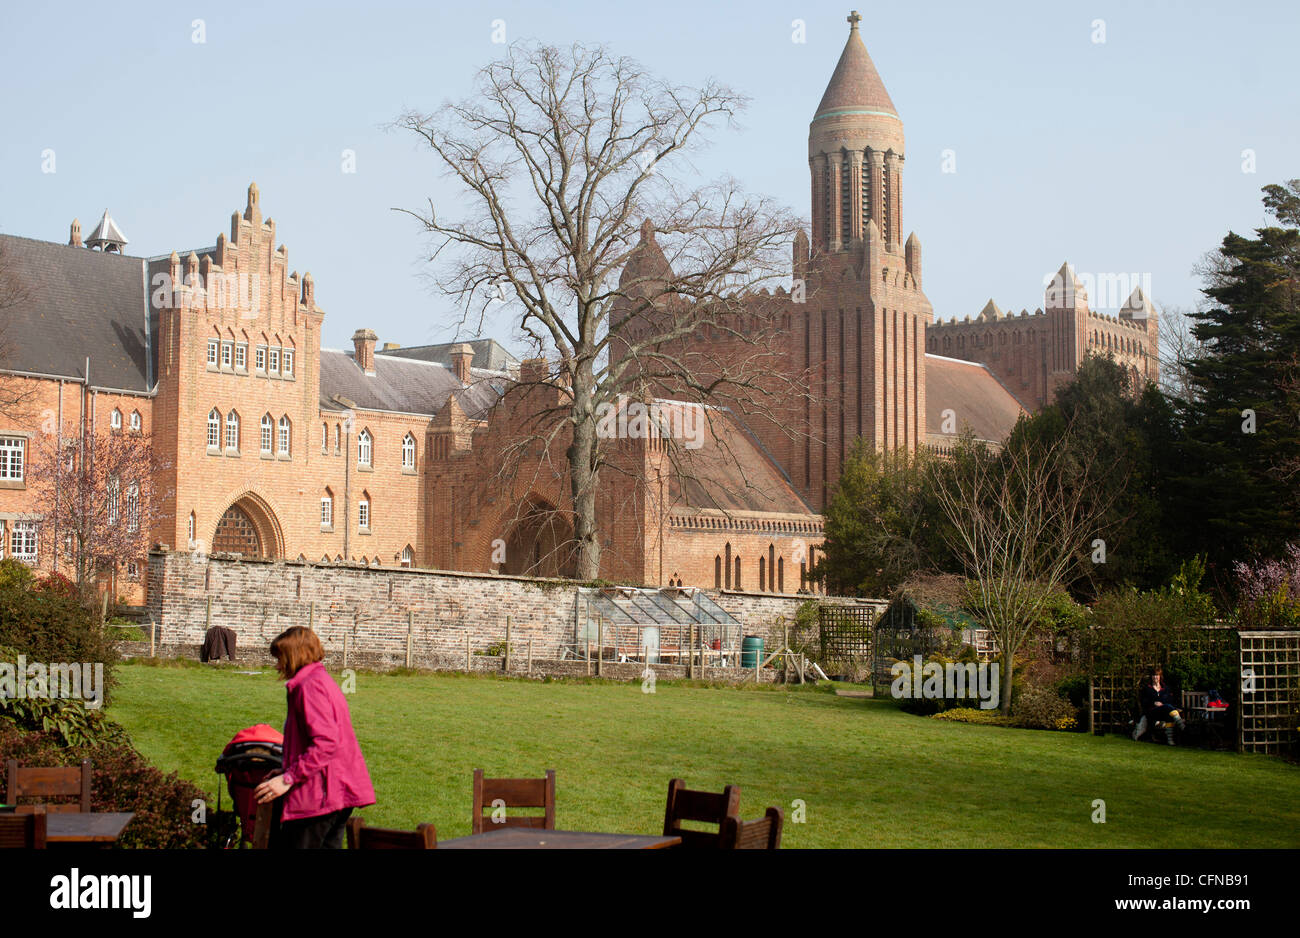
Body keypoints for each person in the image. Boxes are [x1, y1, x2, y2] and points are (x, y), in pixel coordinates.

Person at [254, 626, 375, 848]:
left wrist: (288, 778)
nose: (277, 665)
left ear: (293, 656)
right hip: (334, 789)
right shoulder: (319, 679)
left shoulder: (309, 686)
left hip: (322, 793)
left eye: (280, 658)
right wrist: (287, 768)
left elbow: (326, 743)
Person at [1132, 667, 1186, 745]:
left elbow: (1170, 700)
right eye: (1153, 675)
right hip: (1152, 712)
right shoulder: (1147, 688)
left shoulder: (1165, 688)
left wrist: (1163, 704)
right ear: (1151, 677)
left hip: (1164, 711)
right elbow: (1143, 702)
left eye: (1157, 675)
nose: (1155, 677)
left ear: (1160, 676)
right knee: (1167, 707)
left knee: (1168, 713)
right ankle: (1181, 725)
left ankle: (1170, 740)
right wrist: (1153, 703)